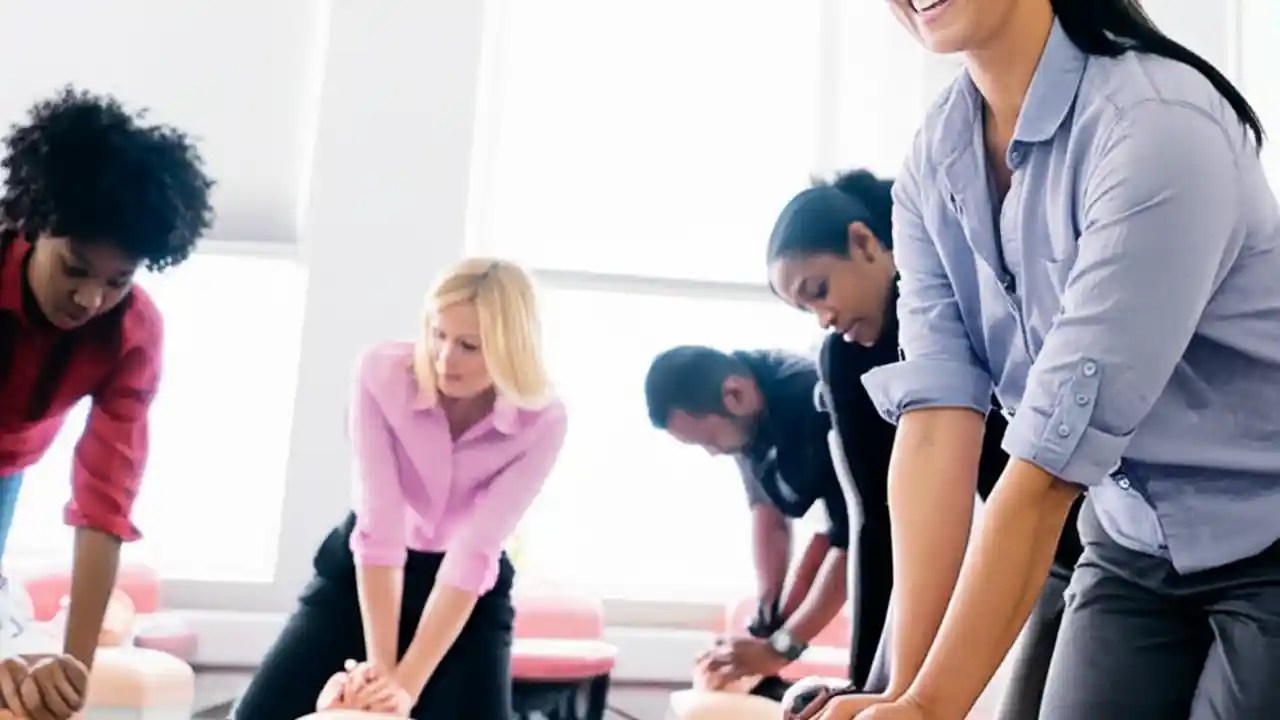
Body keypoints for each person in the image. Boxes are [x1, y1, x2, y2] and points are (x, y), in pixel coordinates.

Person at [810, 1, 1279, 719]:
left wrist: (933, 705)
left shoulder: (1158, 126)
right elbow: (937, 425)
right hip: (1131, 543)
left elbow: (1047, 469)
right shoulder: (937, 158)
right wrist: (898, 693)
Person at [767, 169, 1080, 719]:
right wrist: (865, 683)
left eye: (819, 291)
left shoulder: (976, 305)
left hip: (1092, 525)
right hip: (1043, 554)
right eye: (806, 311)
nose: (825, 318)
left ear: (866, 243)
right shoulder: (844, 359)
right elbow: (876, 523)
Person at [232, 258, 568, 720]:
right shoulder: (381, 372)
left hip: (465, 597)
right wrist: (380, 673)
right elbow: (380, 525)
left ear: (510, 347)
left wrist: (403, 689)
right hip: (362, 576)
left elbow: (473, 553)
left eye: (470, 345)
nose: (446, 358)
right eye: (438, 334)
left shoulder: (543, 419)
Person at [0, 87, 214, 717]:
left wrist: (75, 665)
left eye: (117, 280)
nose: (90, 298)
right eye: (74, 268)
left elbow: (104, 500)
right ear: (35, 227)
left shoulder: (133, 335)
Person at [644, 346, 857, 699]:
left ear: (736, 395)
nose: (712, 452)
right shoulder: (744, 409)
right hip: (855, 536)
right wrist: (767, 621)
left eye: (710, 440)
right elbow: (768, 514)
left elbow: (850, 543)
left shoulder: (814, 404)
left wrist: (781, 648)